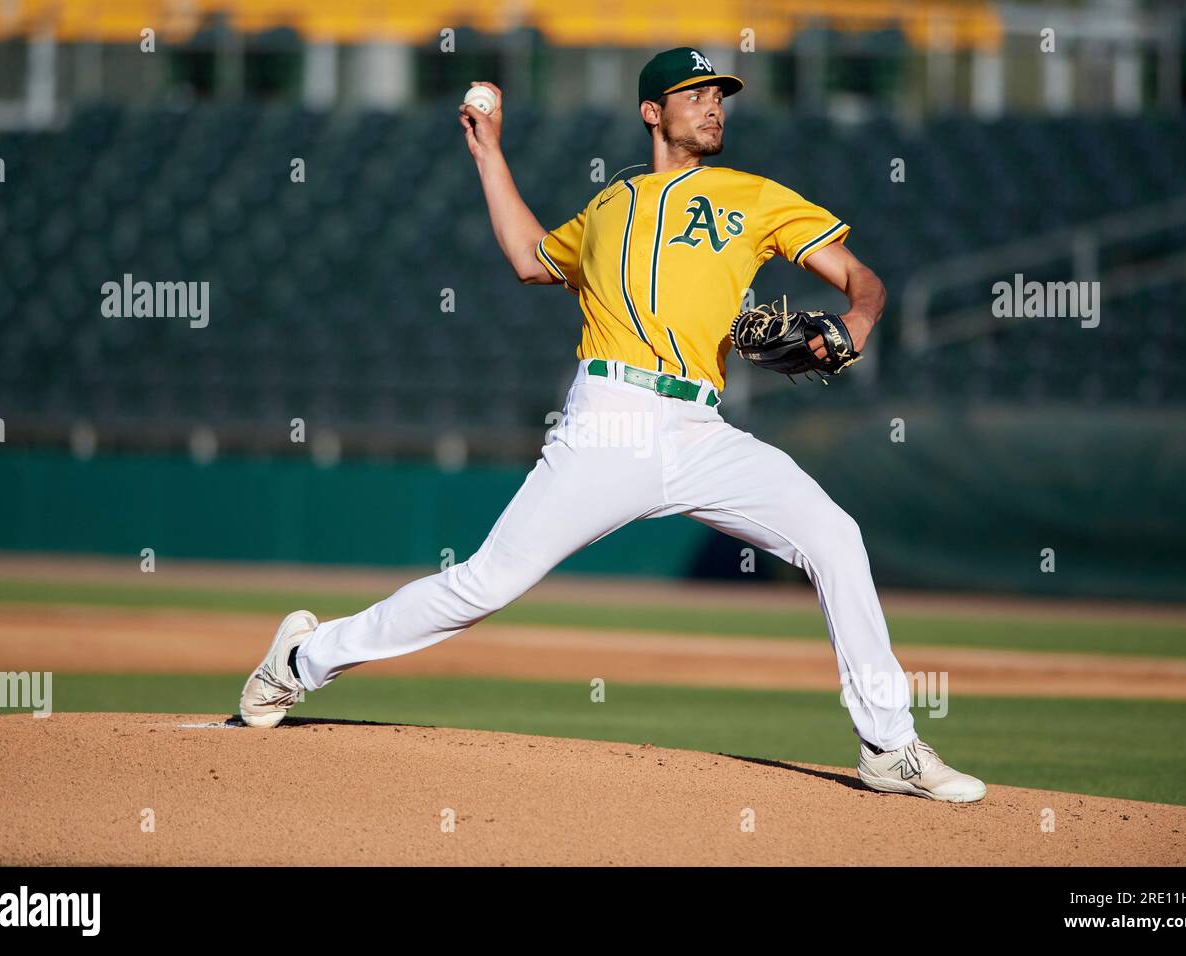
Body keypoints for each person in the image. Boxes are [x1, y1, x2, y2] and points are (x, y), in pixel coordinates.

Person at [240, 47, 986, 803]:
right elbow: (532, 260)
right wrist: (491, 155)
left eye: (719, 94)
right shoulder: (606, 208)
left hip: (702, 427)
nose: (714, 104)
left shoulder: (755, 197)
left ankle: (889, 747)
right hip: (610, 423)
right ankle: (300, 661)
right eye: (695, 93)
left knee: (835, 536)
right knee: (482, 586)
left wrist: (856, 322)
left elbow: (862, 278)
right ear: (651, 112)